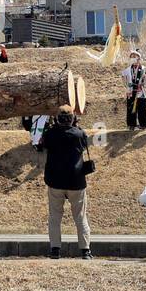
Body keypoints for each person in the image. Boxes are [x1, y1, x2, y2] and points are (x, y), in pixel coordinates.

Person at [37, 105, 92, 260]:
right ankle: (85, 250)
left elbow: (42, 146)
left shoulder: (50, 134)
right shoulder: (79, 133)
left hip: (55, 180)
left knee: (55, 217)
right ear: (72, 118)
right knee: (80, 217)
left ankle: (55, 249)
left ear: (57, 119)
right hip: (76, 180)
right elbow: (84, 144)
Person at [121, 50, 146, 130]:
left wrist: (145, 82)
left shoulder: (144, 69)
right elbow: (123, 78)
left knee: (142, 107)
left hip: (141, 90)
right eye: (132, 57)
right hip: (131, 91)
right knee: (130, 107)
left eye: (135, 57)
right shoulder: (127, 70)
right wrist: (126, 85)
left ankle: (143, 124)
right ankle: (131, 124)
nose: (133, 59)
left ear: (139, 58)